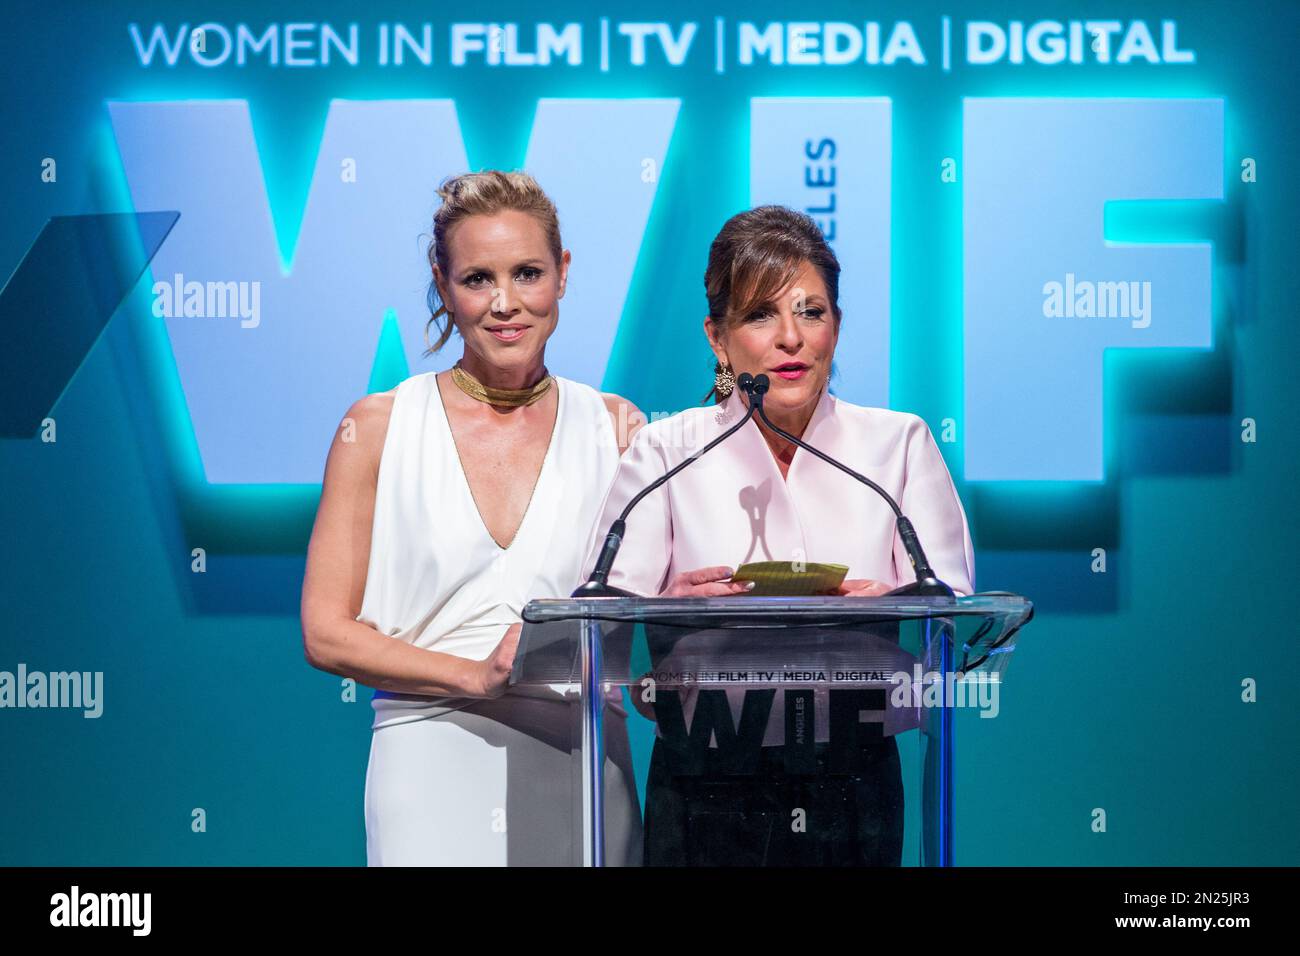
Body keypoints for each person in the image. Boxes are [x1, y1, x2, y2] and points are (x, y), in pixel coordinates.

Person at [585, 205, 975, 866]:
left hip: (854, 782)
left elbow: (953, 616)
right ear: (718, 337)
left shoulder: (897, 444)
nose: (790, 337)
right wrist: (667, 604)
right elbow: (600, 625)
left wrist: (892, 602)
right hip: (703, 783)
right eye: (760, 315)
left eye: (811, 312)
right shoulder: (665, 451)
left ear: (837, 326)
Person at [301, 170, 644, 866]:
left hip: (582, 764)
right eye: (478, 279)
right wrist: (473, 675)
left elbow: (639, 628)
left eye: (527, 273)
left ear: (563, 273)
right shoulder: (376, 428)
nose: (506, 303)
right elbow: (326, 631)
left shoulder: (617, 429)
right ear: (443, 282)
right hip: (427, 765)